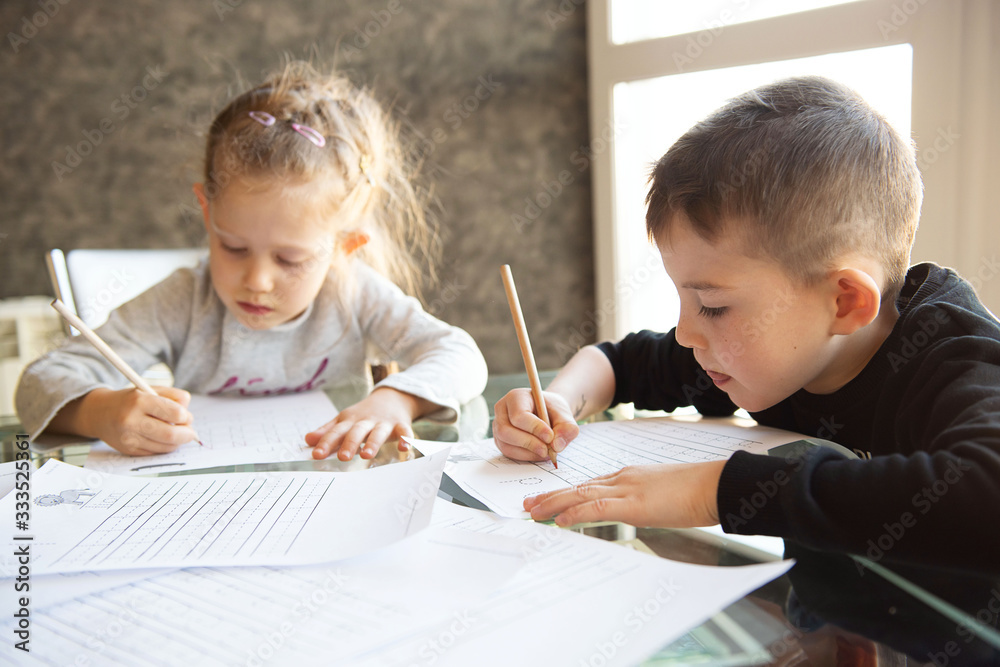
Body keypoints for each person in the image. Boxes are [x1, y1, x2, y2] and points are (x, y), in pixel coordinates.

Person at [493, 76, 1000, 569]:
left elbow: (984, 495)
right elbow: (618, 362)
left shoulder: (953, 356)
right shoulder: (755, 354)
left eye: (712, 306)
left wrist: (716, 491)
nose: (687, 335)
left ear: (843, 302)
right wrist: (558, 403)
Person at [17, 60, 487, 461]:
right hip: (206, 501)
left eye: (291, 258)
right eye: (234, 247)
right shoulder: (181, 301)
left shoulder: (355, 293)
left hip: (333, 490)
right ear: (207, 211)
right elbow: (39, 382)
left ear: (345, 246)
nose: (257, 281)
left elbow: (459, 354)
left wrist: (395, 401)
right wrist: (103, 412)